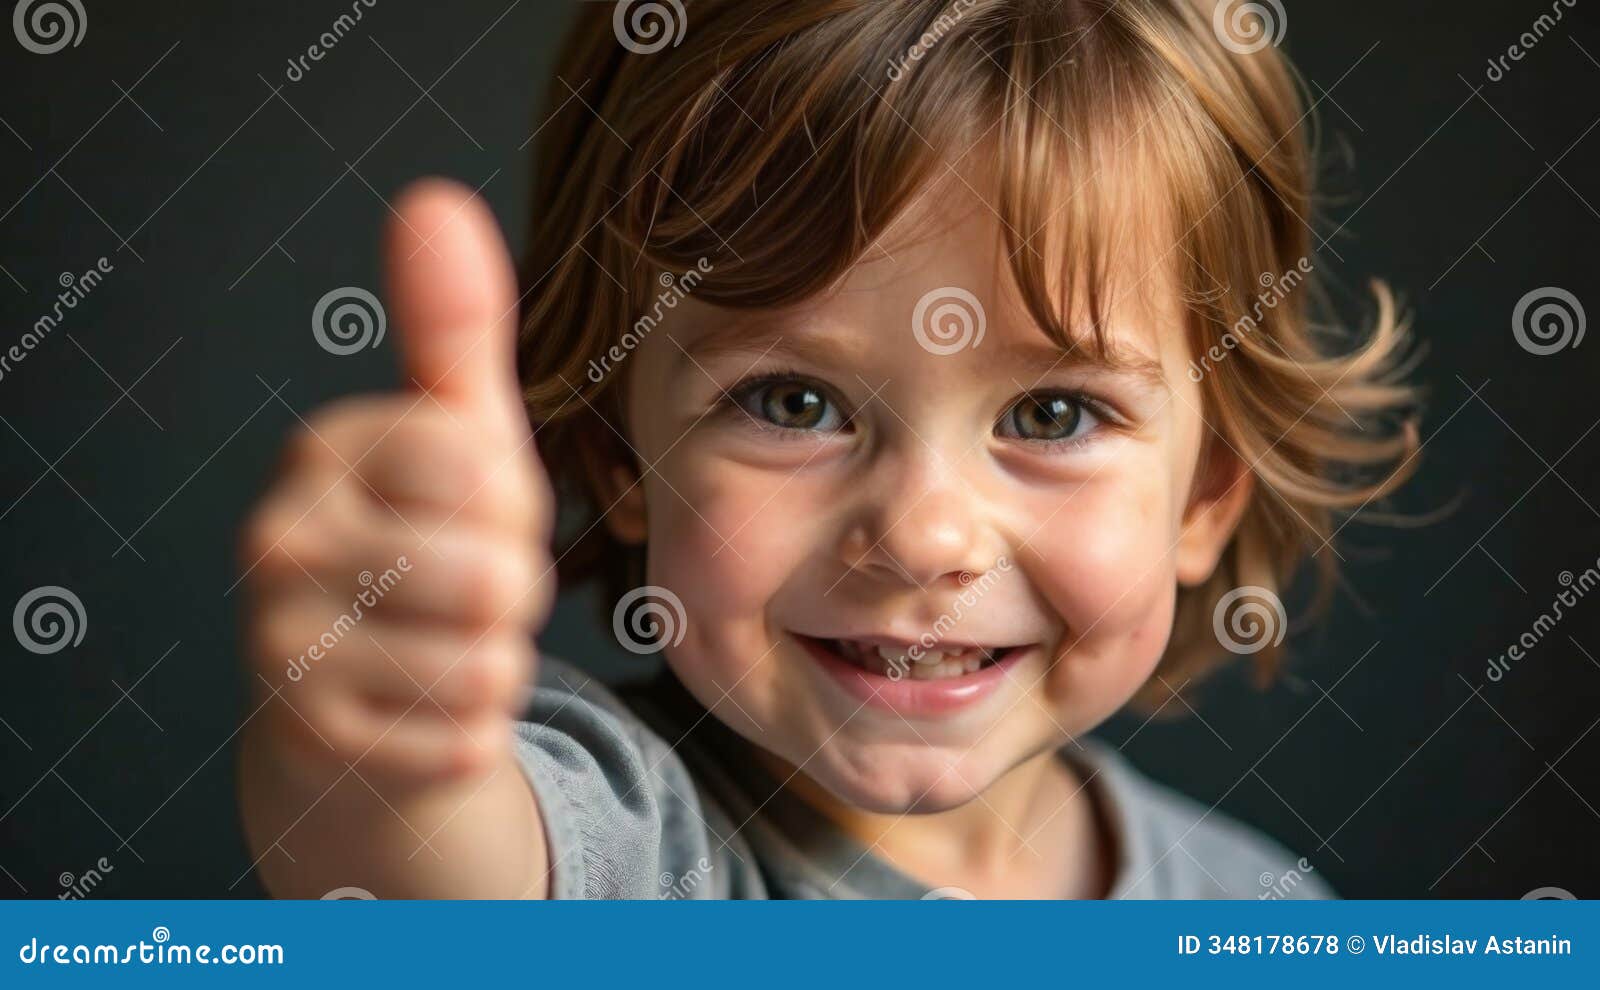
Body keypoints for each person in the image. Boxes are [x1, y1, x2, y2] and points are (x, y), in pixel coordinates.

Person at [237, 0, 1417, 899]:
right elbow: (424, 867)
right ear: (616, 457)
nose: (923, 535)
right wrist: (378, 750)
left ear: (1204, 498)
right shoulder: (634, 843)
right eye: (793, 403)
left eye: (1052, 415)